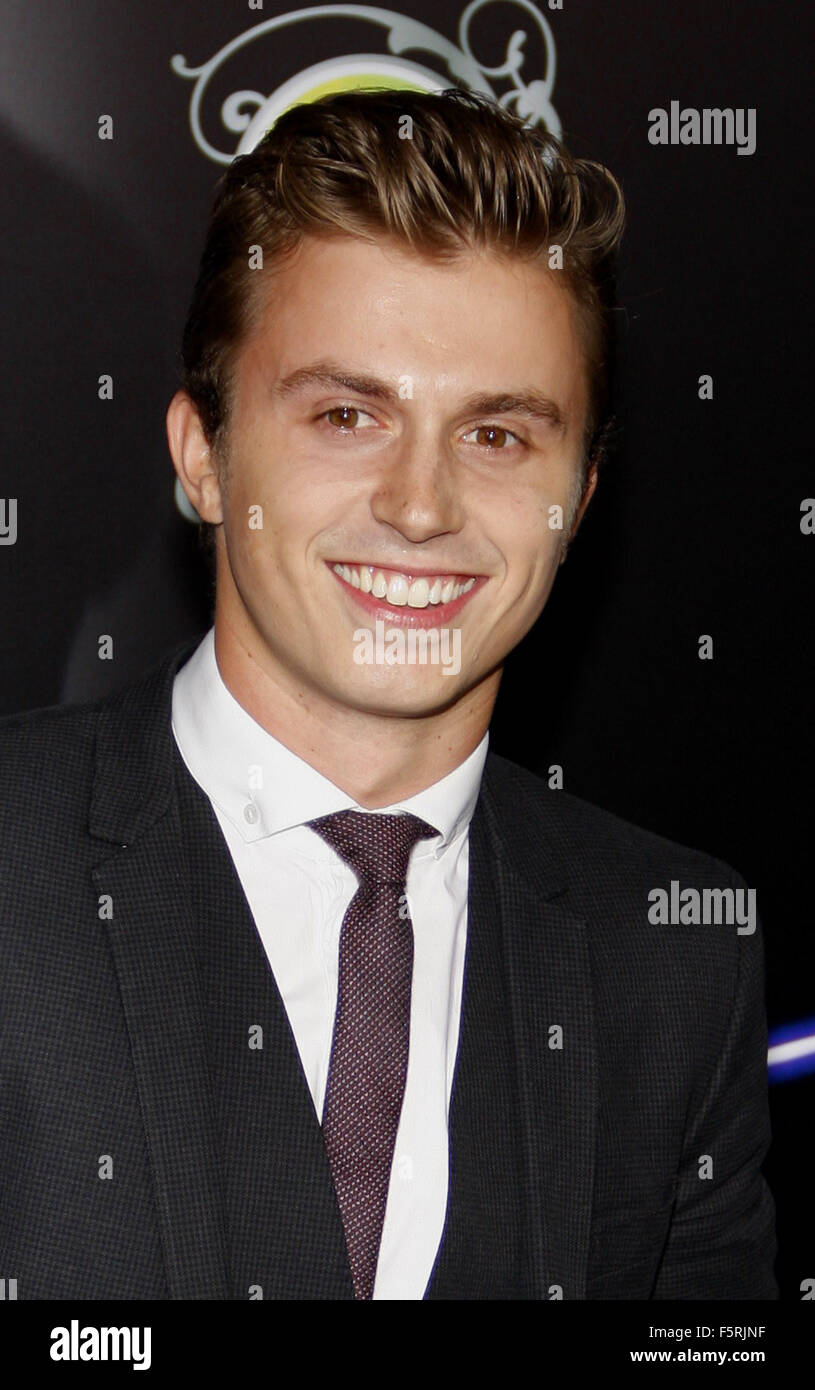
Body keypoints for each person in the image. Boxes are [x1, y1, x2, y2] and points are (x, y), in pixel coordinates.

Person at [0, 88, 777, 1300]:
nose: (419, 506)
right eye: (347, 414)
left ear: (577, 496)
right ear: (203, 455)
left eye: (498, 435)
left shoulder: (672, 957)